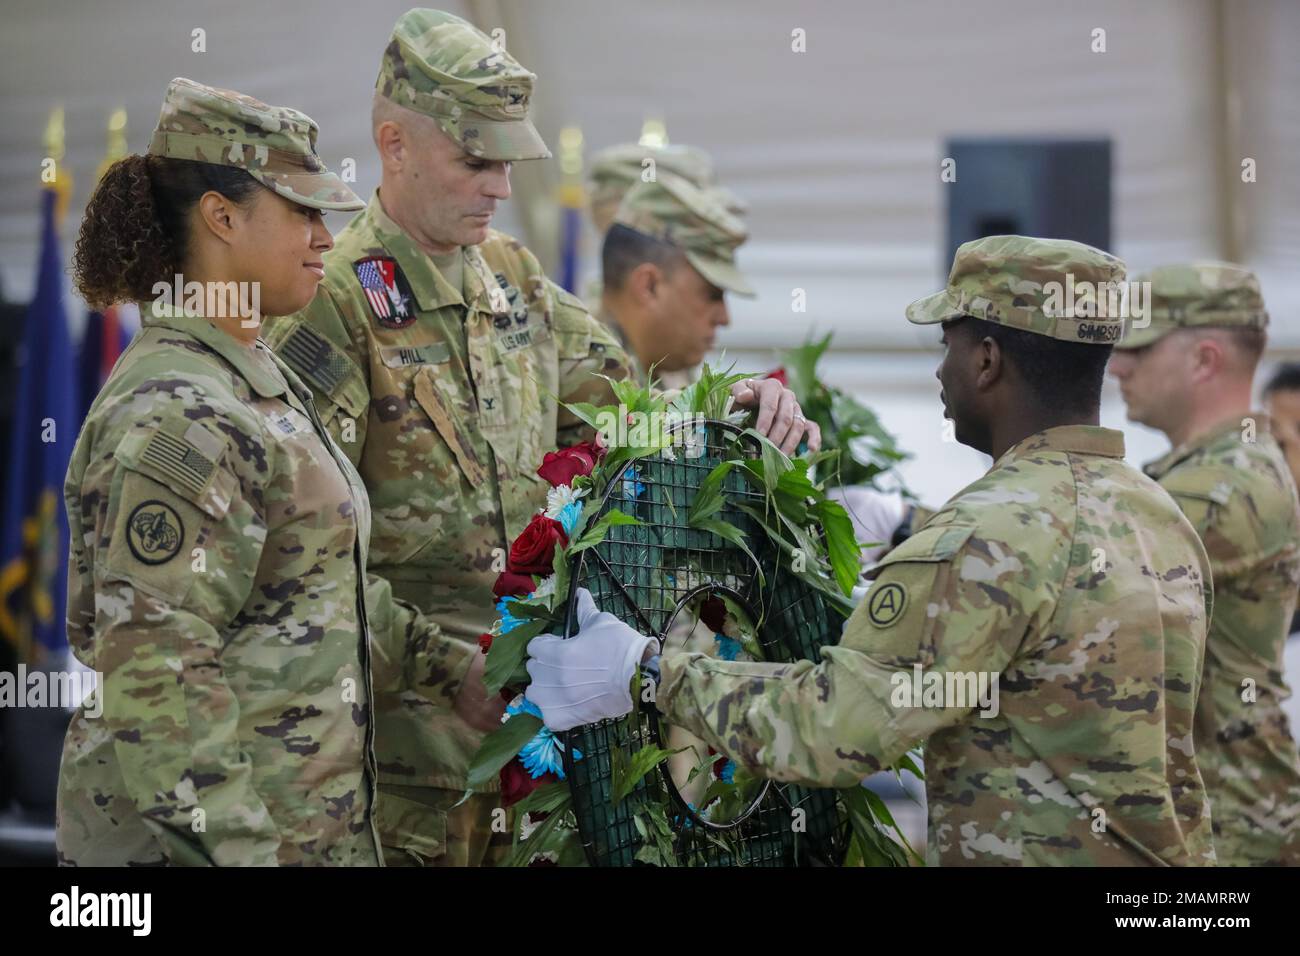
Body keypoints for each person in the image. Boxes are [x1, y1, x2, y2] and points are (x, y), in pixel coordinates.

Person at [262, 7, 818, 866]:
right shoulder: (331, 306)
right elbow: (298, 557)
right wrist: (449, 670)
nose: (499, 186)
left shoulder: (516, 286)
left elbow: (631, 426)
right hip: (393, 777)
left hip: (532, 768)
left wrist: (733, 419)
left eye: (508, 162)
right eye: (475, 160)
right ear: (393, 144)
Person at [525, 235, 1219, 866]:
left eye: (946, 346)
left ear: (985, 360)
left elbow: (838, 724)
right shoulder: (1159, 515)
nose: (940, 373)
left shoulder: (986, 533)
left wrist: (646, 670)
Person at [59, 78, 493, 866]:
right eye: (302, 211)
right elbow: (158, 670)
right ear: (221, 217)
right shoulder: (181, 408)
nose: (327, 236)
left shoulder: (258, 378)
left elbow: (320, 589)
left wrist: (455, 672)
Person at [1109, 262, 1300, 865]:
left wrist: (909, 527)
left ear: (1203, 359)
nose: (1118, 366)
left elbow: (1065, 563)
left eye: (1139, 347)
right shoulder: (1201, 473)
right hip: (1211, 821)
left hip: (1231, 830)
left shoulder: (1228, 487)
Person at [600, 173, 755, 387]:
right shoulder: (587, 374)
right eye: (712, 295)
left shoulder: (655, 371)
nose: (724, 318)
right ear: (649, 286)